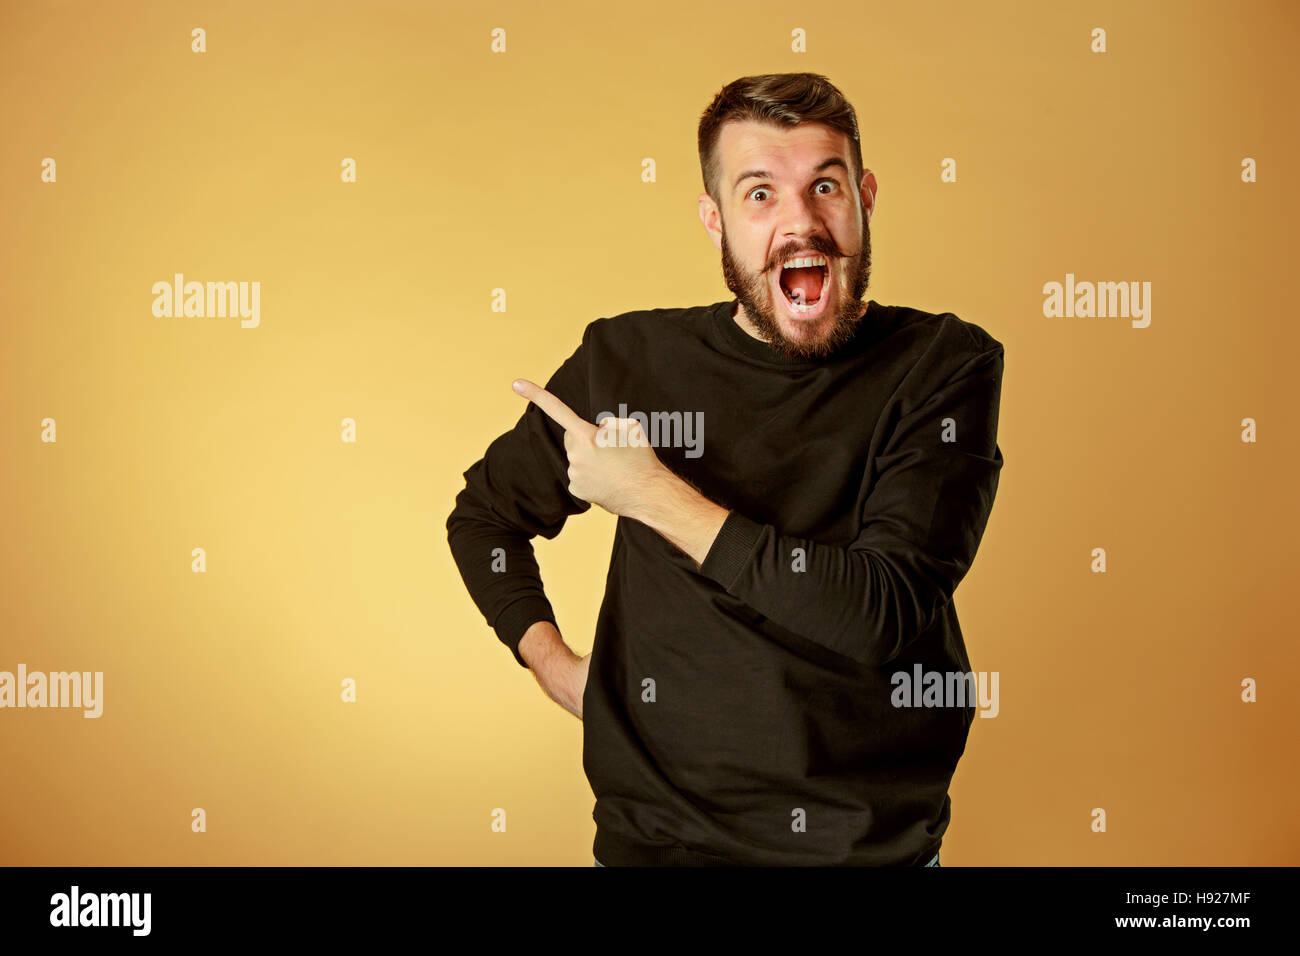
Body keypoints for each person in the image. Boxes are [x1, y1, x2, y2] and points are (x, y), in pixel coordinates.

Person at [446, 72, 1004, 867]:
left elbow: (880, 613)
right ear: (715, 221)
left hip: (867, 853)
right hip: (659, 848)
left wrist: (650, 495)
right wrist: (556, 665)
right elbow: (484, 520)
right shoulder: (627, 362)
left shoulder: (943, 368)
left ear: (866, 196)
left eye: (825, 186)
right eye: (760, 194)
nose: (800, 223)